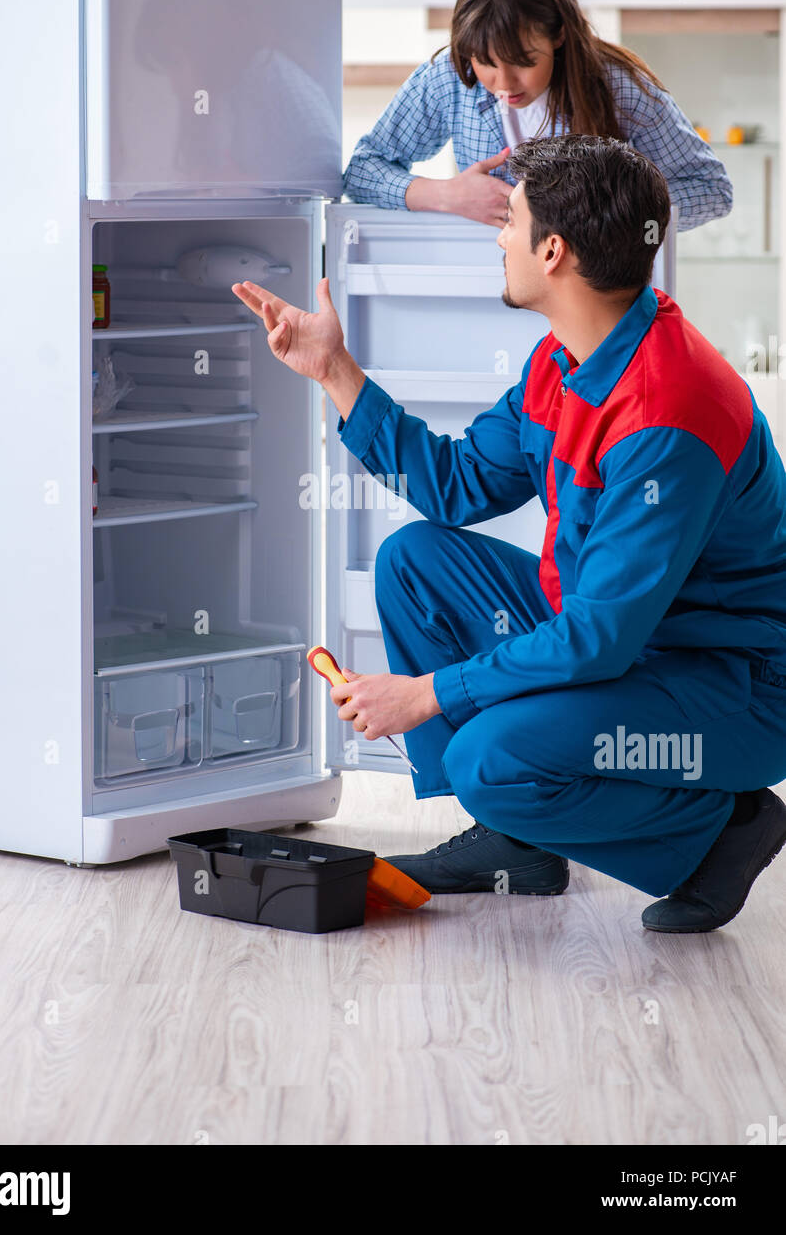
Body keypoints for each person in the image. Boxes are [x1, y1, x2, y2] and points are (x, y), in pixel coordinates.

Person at [232, 134, 786, 934]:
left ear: (552, 251)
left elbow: (596, 639)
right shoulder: (563, 359)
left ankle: (719, 834)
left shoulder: (667, 414)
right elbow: (455, 488)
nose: (498, 237)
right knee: (415, 562)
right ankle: (514, 844)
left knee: (489, 756)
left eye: (510, 222)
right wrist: (335, 371)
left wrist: (425, 694)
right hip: (633, 640)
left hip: (731, 685)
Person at [343, 0, 732, 231]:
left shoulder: (620, 88)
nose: (504, 84)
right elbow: (362, 170)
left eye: (524, 61)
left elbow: (711, 190)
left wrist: (612, 214)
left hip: (598, 307)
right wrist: (445, 196)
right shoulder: (449, 78)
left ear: (559, 34)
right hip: (487, 291)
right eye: (485, 63)